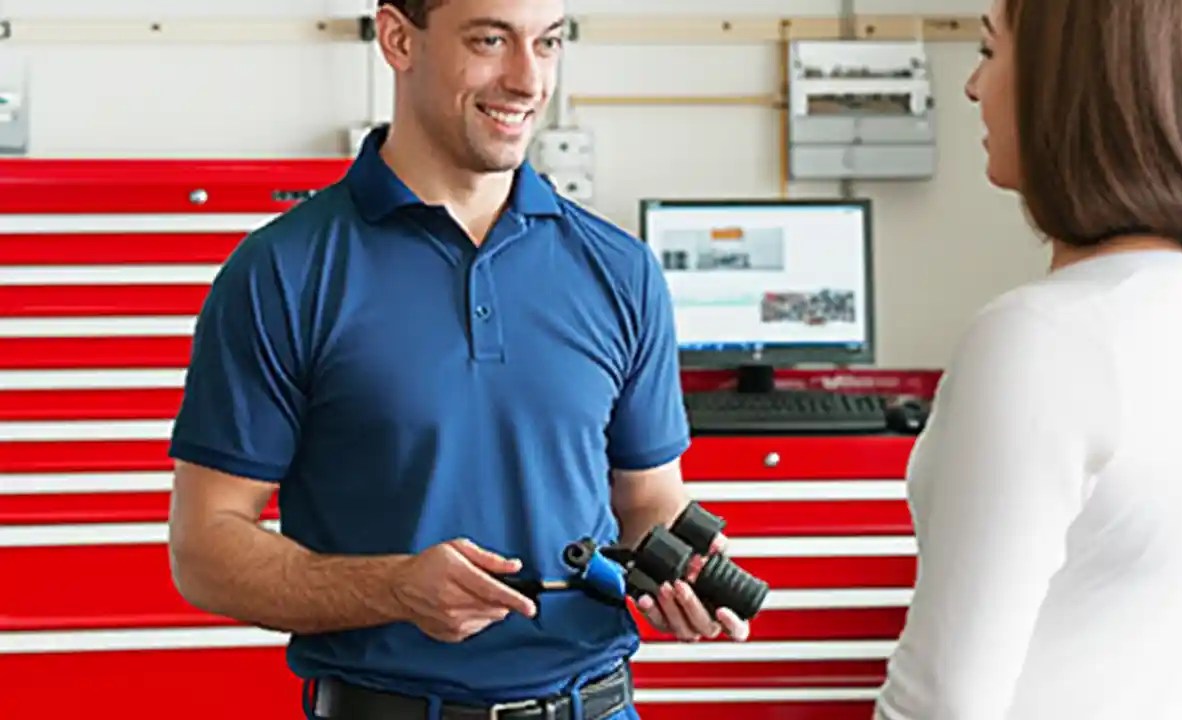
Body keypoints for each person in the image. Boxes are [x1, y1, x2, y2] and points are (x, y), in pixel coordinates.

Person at [164, 1, 749, 718]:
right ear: (398, 38)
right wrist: (395, 587)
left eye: (548, 42)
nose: (528, 79)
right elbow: (205, 551)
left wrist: (680, 571)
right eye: (490, 40)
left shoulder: (619, 270)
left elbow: (647, 498)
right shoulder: (284, 271)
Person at [873, 0, 1182, 717]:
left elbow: (939, 705)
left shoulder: (1040, 337)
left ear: (1069, 84)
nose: (972, 87)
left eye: (989, 53)